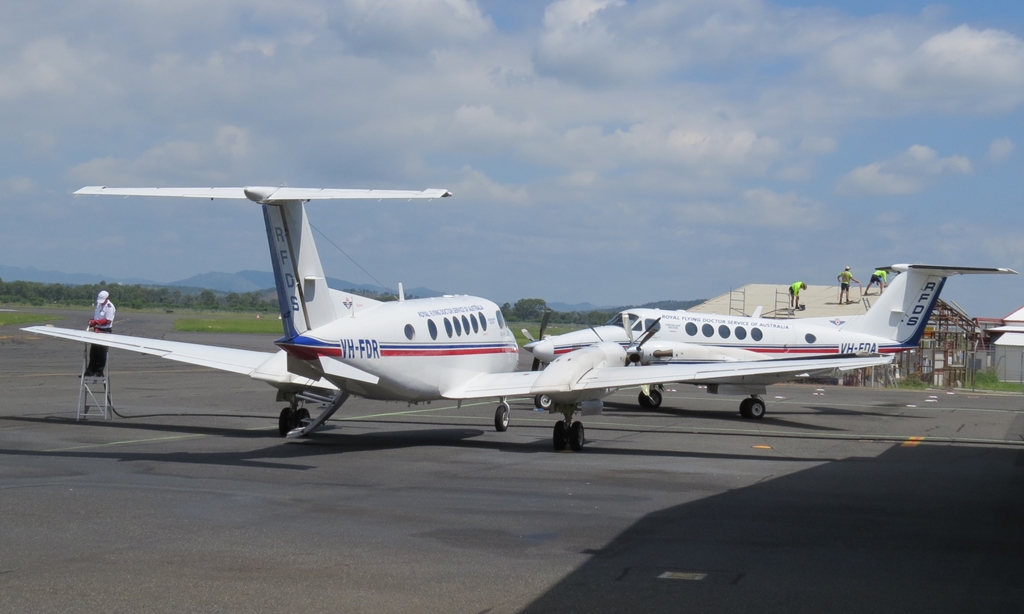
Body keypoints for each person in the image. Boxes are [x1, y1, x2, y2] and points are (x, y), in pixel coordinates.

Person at [85, 290, 115, 377]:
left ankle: (99, 371)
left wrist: (96, 322)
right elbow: (96, 316)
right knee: (93, 351)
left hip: (105, 330)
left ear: (107, 298)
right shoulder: (98, 305)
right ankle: (90, 369)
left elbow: (107, 320)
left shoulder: (110, 307)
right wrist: (92, 321)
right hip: (97, 330)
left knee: (102, 351)